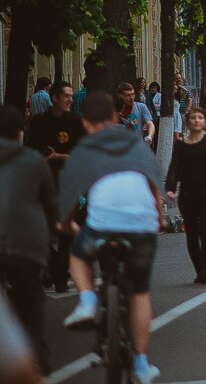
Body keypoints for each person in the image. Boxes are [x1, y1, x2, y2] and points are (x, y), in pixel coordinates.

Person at [59, 92, 164, 384]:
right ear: (115, 117)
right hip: (141, 224)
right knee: (138, 292)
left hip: (102, 223)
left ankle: (87, 301)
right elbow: (153, 181)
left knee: (77, 254)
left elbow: (70, 194)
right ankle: (141, 365)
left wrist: (66, 225)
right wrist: (158, 217)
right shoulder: (134, 142)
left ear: (84, 122)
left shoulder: (85, 148)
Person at [0, 105, 56, 374]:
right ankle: (37, 360)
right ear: (19, 132)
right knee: (32, 299)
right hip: (27, 244)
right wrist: (52, 238)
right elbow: (50, 204)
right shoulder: (35, 161)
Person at [25, 80, 83, 292]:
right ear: (55, 98)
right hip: (43, 183)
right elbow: (30, 152)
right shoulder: (39, 122)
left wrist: (58, 156)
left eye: (71, 96)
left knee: (67, 231)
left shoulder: (75, 123)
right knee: (42, 230)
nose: (70, 100)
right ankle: (52, 266)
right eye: (66, 96)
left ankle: (59, 276)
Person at [164, 107, 206, 283]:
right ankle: (199, 269)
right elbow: (174, 167)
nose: (197, 120)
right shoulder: (181, 145)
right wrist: (170, 188)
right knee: (192, 233)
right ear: (188, 122)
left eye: (200, 117)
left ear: (204, 121)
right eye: (193, 118)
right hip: (187, 195)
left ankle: (204, 268)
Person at [117, 82, 156, 147]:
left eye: (133, 94)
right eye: (128, 95)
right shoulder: (115, 110)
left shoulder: (141, 107)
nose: (131, 97)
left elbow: (150, 124)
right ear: (121, 96)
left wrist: (149, 136)